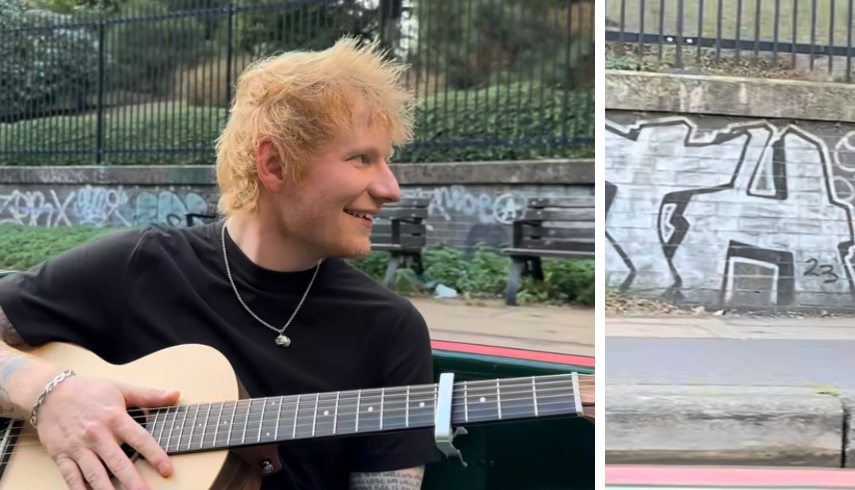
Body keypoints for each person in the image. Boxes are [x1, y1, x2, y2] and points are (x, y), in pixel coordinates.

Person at [0, 38, 593, 490]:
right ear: (274, 166)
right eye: (362, 159)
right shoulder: (139, 266)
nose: (391, 188)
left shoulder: (387, 330)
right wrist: (49, 392)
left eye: (387, 161)